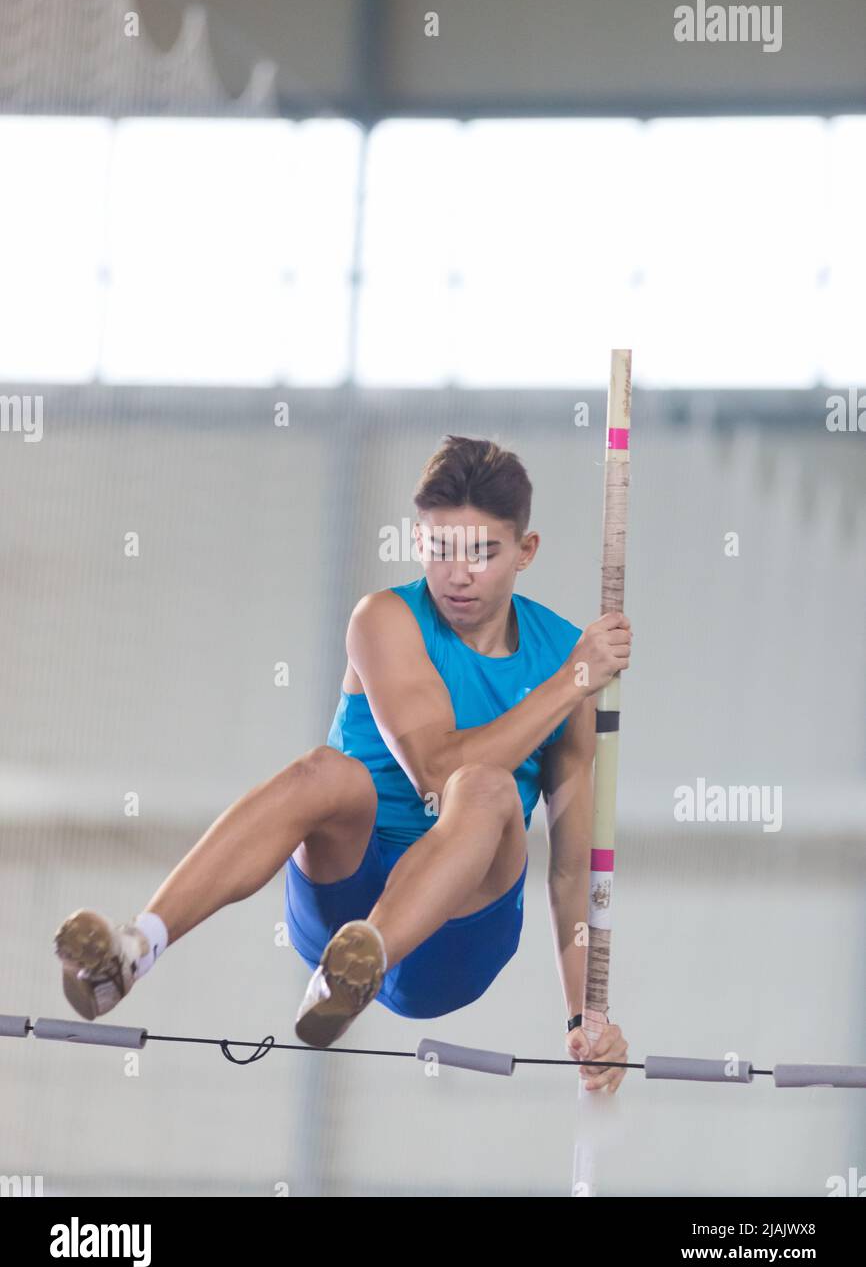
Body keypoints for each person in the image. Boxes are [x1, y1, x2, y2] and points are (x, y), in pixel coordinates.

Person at [54, 435, 632, 1091]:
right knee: (327, 771)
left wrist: (586, 1017)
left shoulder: (564, 653)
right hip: (344, 901)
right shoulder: (385, 620)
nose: (458, 573)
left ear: (525, 552)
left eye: (483, 553)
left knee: (490, 790)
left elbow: (570, 865)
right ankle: (135, 951)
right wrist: (570, 684)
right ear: (419, 542)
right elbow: (434, 775)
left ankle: (366, 964)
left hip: (458, 932)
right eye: (440, 549)